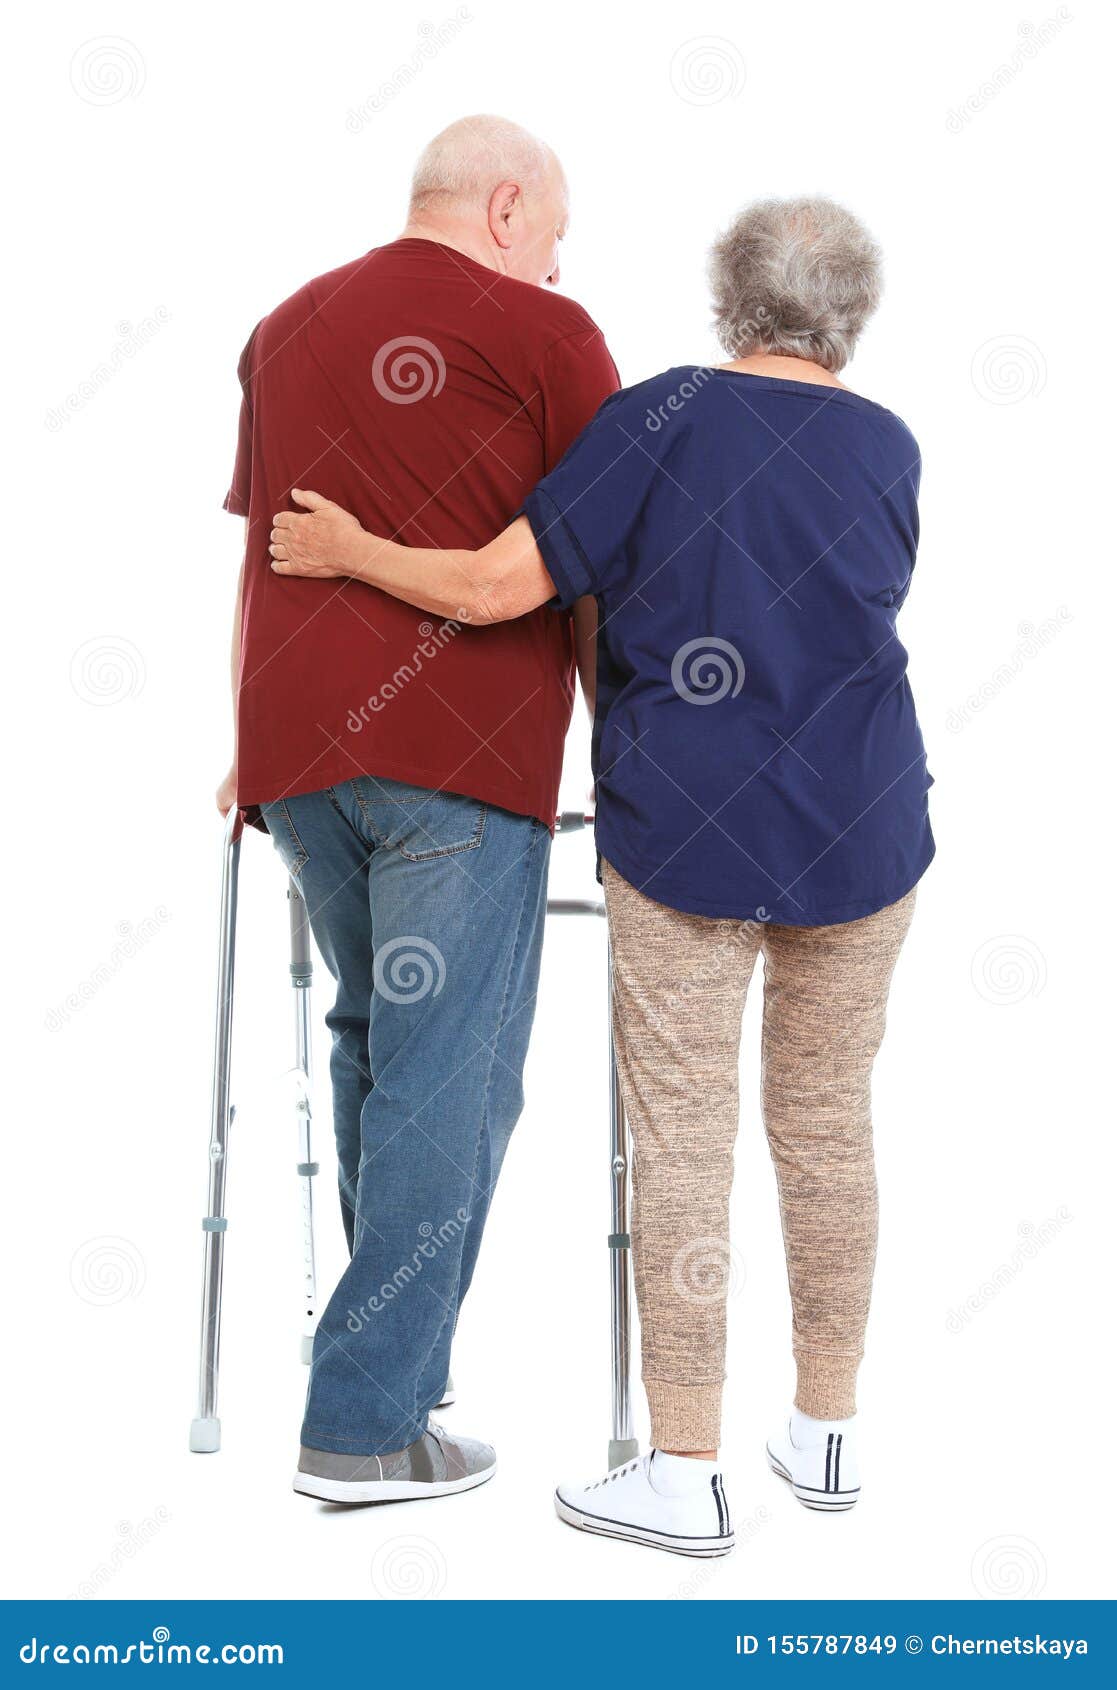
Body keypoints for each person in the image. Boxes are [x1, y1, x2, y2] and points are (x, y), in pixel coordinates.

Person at [267, 195, 935, 1553]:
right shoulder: (888, 442)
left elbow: (498, 586)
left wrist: (348, 551)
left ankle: (681, 1472)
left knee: (681, 1135)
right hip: (868, 824)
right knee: (827, 1129)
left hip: (687, 829)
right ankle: (827, 1434)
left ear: (727, 294)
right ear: (845, 318)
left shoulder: (659, 415)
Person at [218, 114, 619, 1504]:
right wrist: (620, 750)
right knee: (451, 1073)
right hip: (458, 757)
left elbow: (263, 561)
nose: (563, 264)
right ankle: (365, 1421)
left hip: (303, 761)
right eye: (558, 232)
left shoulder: (281, 327)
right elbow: (587, 571)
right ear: (507, 207)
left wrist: (245, 745)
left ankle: (398, 1374)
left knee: (380, 1050)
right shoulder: (546, 337)